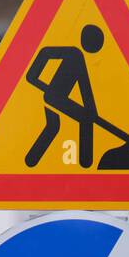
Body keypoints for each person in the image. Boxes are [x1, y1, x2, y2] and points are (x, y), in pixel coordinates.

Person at [24, 24, 106, 168]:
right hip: (55, 98)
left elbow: (83, 86)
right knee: (82, 120)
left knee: (53, 126)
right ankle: (86, 163)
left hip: (55, 98)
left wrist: (92, 110)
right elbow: (44, 54)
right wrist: (36, 80)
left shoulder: (78, 56)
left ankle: (30, 161)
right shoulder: (74, 54)